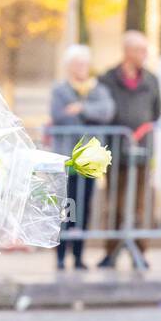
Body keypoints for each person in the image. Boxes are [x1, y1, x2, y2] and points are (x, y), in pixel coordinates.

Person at [97, 30, 161, 269]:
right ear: (127, 51)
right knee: (114, 203)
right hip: (115, 151)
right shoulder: (108, 79)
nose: (144, 55)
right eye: (140, 50)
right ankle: (111, 251)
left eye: (145, 50)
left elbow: (157, 112)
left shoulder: (151, 80)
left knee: (140, 205)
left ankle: (140, 251)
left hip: (143, 151)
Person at [49, 44, 115, 271]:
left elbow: (107, 111)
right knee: (66, 208)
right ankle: (60, 256)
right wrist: (86, 114)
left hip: (88, 160)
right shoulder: (60, 90)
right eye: (77, 64)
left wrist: (81, 109)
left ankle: (78, 256)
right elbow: (59, 116)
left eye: (85, 64)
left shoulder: (98, 89)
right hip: (67, 159)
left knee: (84, 207)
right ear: (68, 67)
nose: (82, 68)